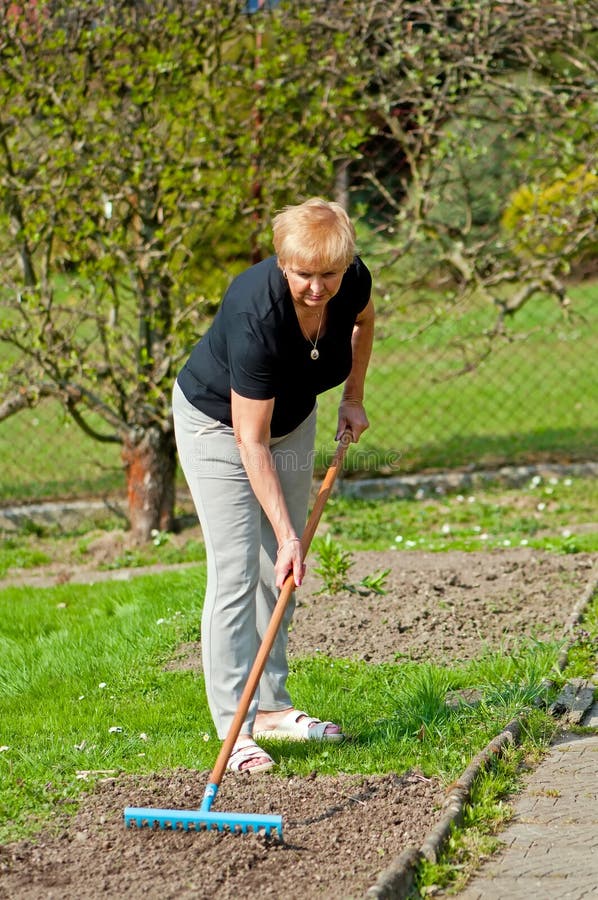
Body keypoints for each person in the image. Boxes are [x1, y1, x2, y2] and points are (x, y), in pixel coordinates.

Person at [172, 197, 374, 773]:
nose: (317, 287)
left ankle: (273, 710)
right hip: (221, 427)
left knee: (278, 569)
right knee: (239, 566)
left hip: (293, 419)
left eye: (328, 274)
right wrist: (287, 531)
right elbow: (248, 440)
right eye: (303, 274)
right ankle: (233, 727)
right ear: (283, 262)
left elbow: (364, 319)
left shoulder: (350, 279)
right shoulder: (253, 314)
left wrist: (353, 397)